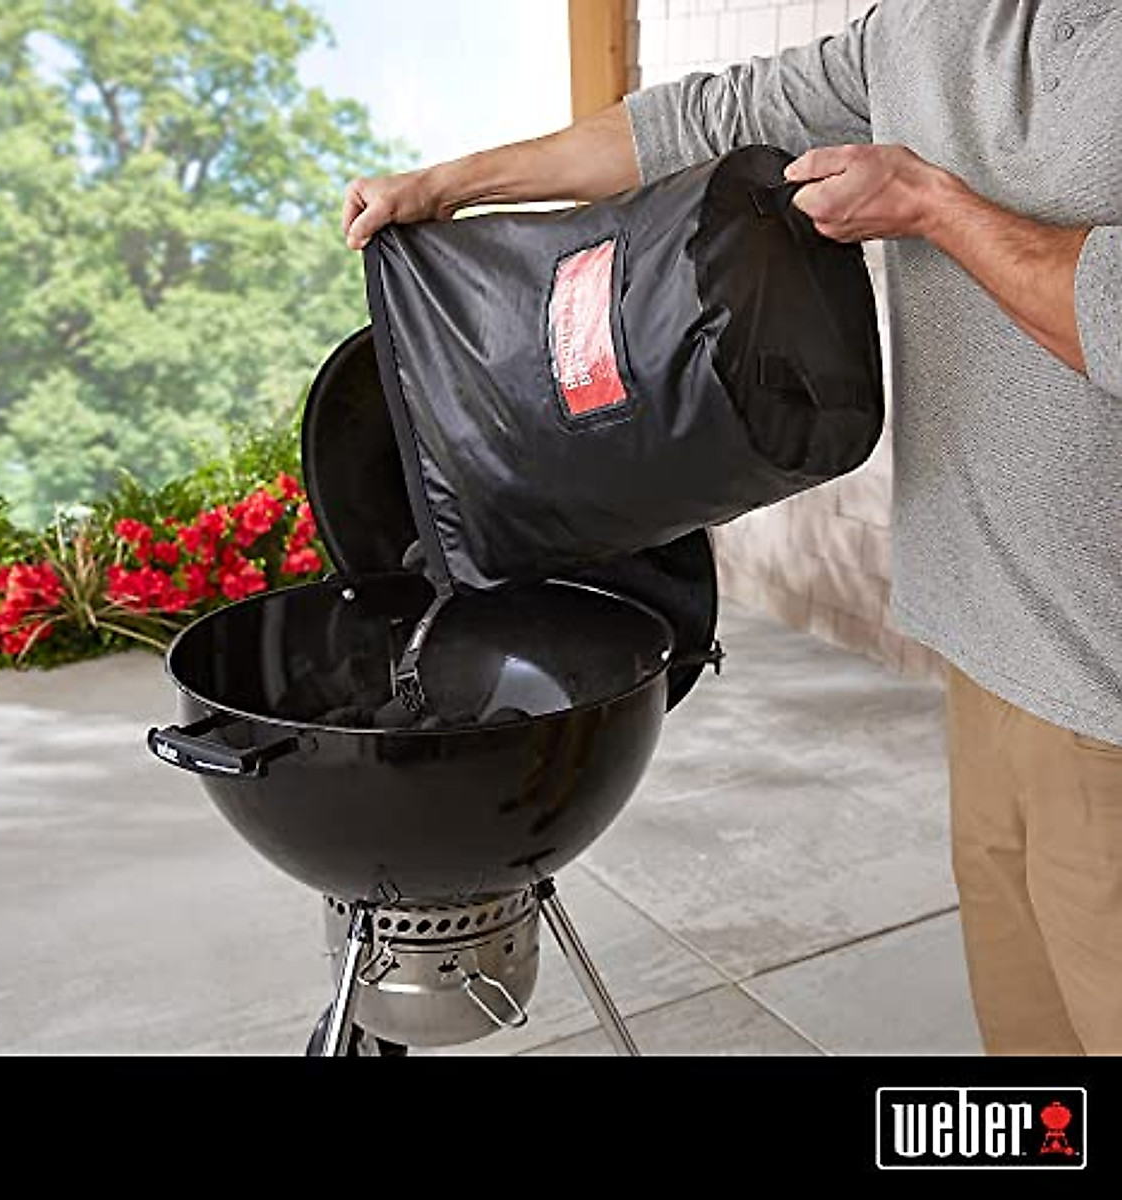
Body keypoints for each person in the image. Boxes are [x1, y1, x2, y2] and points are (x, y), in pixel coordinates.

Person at [341, 0, 1122, 1056]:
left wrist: (933, 204)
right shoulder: (932, 24)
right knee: (1031, 1054)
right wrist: (450, 185)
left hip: (1106, 674)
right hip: (988, 638)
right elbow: (703, 119)